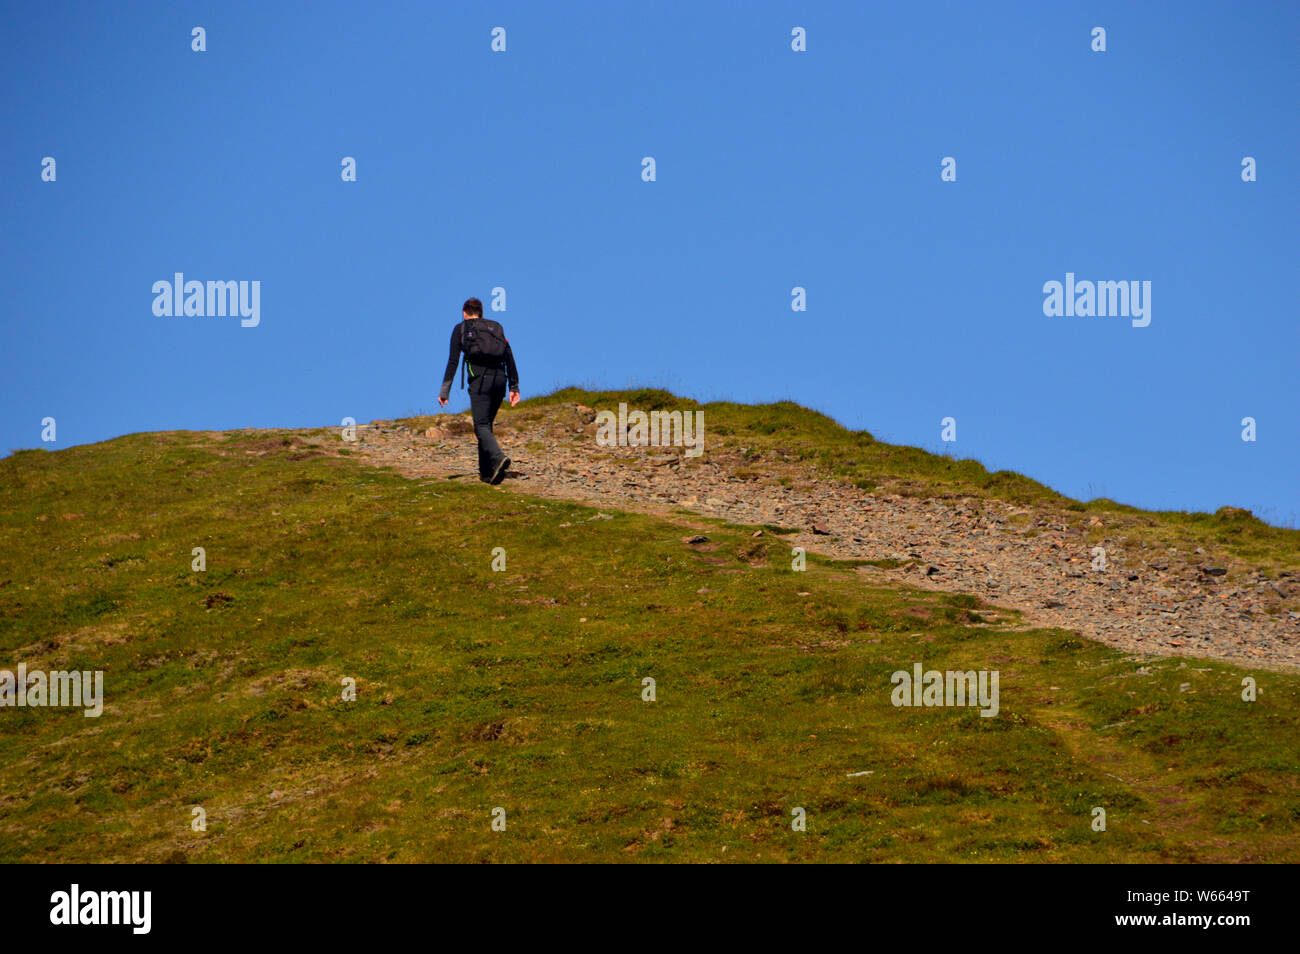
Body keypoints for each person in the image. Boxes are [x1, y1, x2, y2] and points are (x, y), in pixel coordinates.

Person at [438, 298, 520, 484]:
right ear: (481, 312)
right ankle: (487, 474)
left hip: (480, 381)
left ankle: (499, 458)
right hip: (501, 379)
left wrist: (445, 391)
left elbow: (453, 361)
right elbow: (509, 354)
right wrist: (514, 386)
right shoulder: (495, 327)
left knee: (480, 426)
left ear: (464, 312)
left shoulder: (460, 328)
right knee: (486, 425)